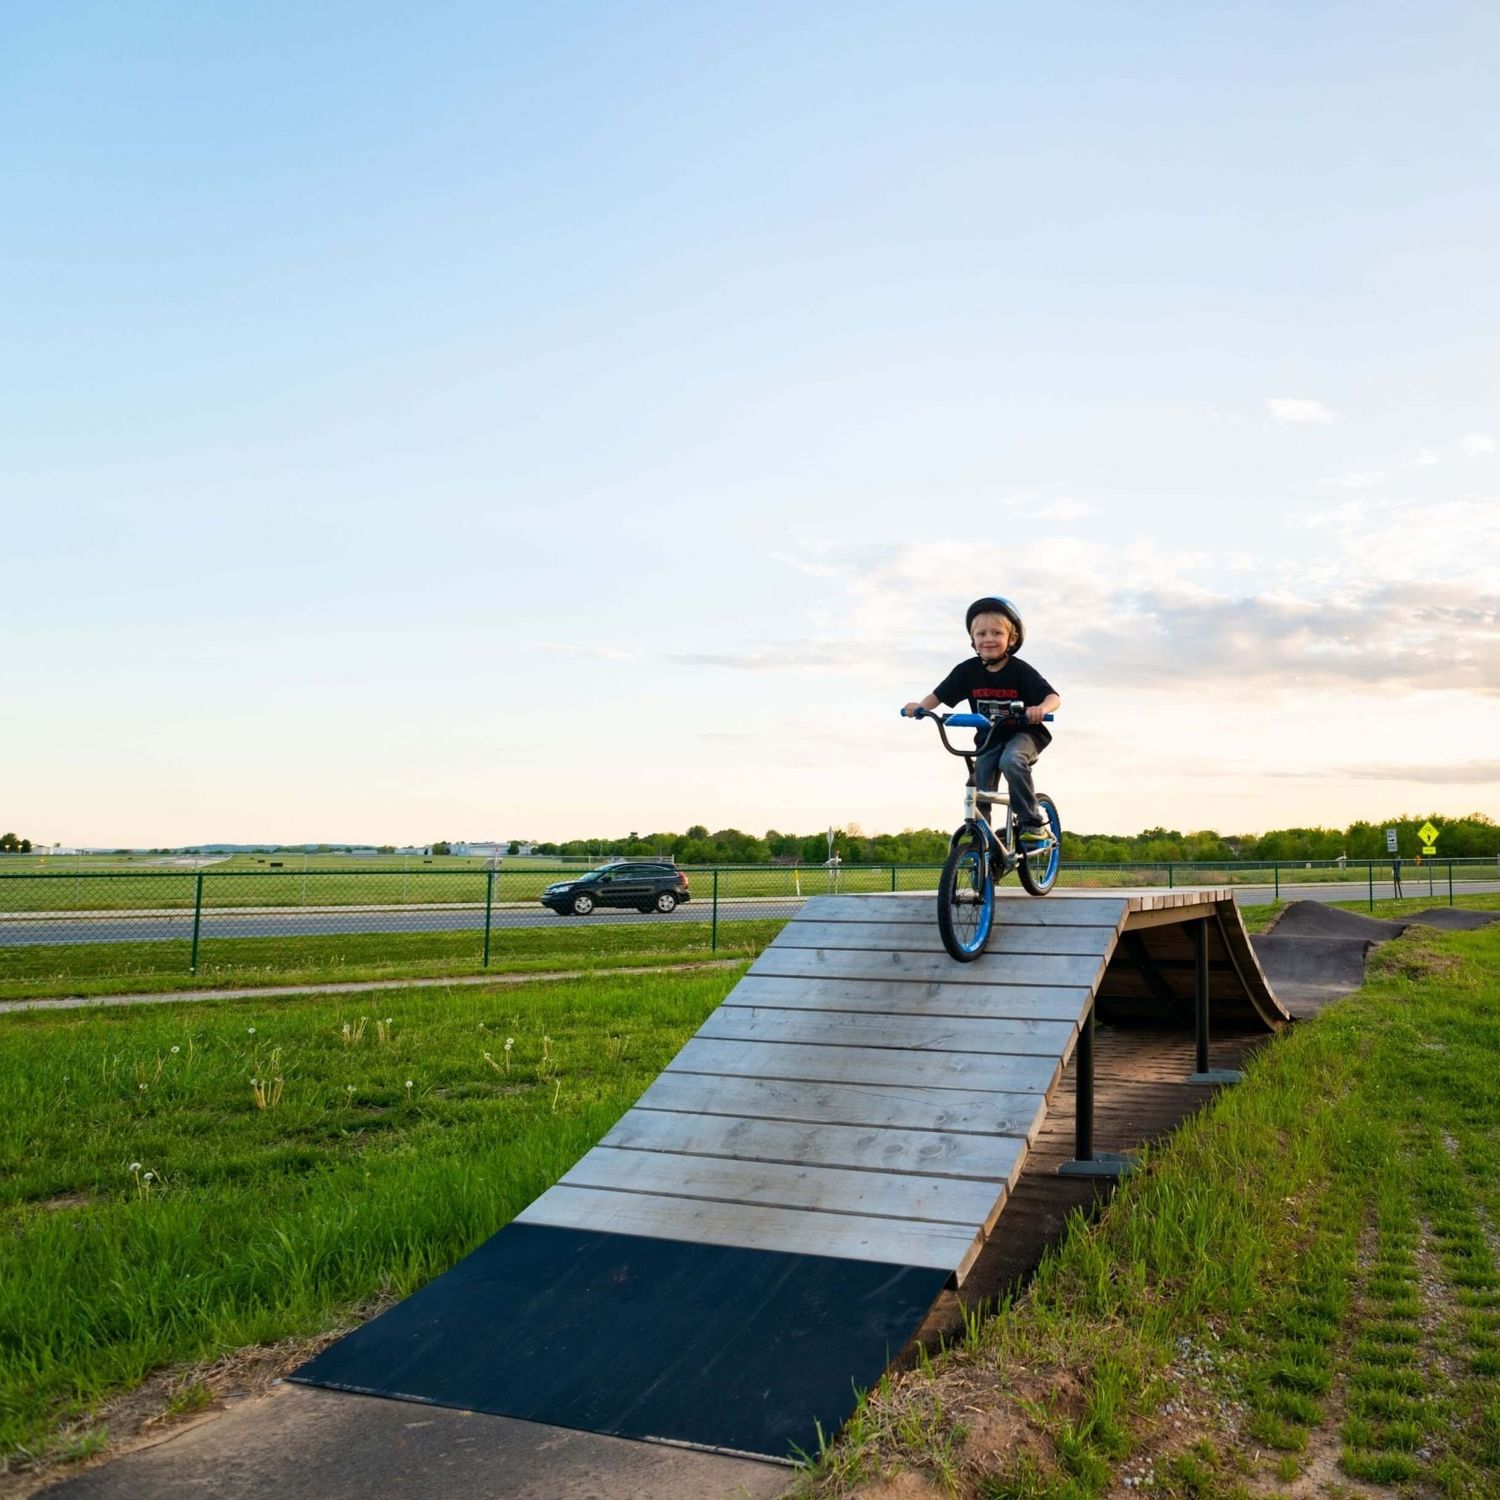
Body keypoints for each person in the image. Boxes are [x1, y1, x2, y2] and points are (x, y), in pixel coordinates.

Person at [902, 596, 1061, 849]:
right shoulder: (967, 671)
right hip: (989, 739)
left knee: (1011, 761)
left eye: (997, 632)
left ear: (1012, 639)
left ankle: (1032, 821)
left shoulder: (1020, 671)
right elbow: (939, 695)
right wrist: (921, 707)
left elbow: (1053, 697)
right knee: (978, 782)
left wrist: (1040, 709)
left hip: (1025, 734)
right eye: (981, 633)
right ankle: (985, 840)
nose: (988, 638)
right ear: (973, 640)